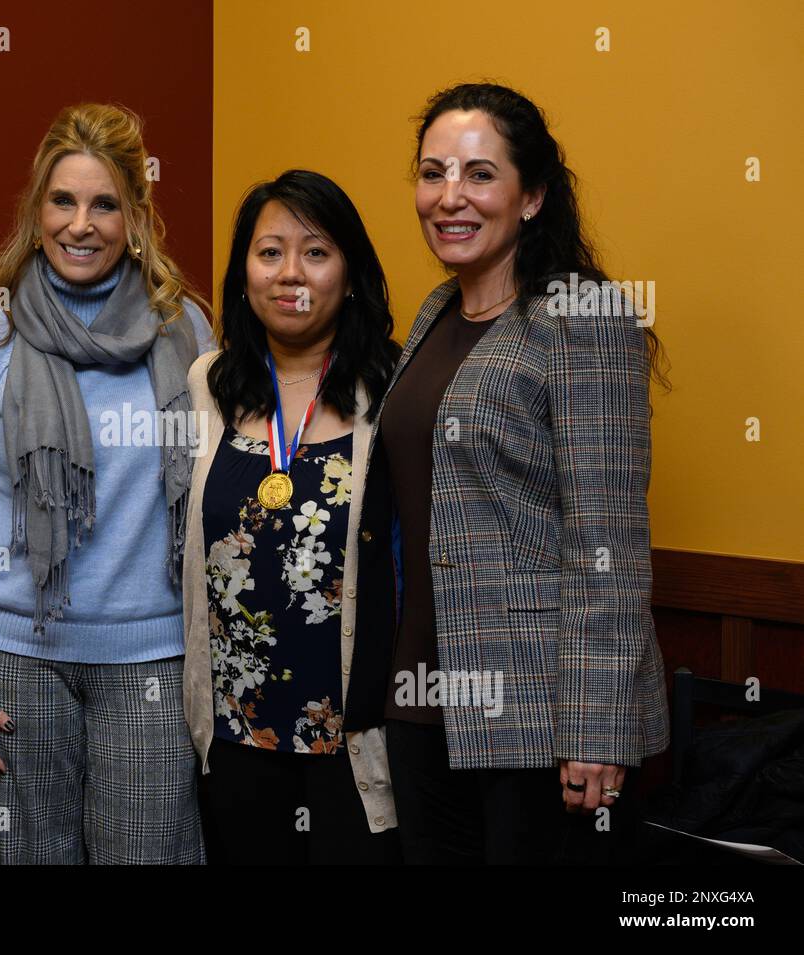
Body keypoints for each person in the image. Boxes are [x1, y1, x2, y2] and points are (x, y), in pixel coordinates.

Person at [378, 82, 669, 863]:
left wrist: (599, 726)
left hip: (540, 718)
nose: (450, 197)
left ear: (532, 195)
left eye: (479, 174)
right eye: (433, 172)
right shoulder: (436, 310)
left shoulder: (582, 316)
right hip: (421, 703)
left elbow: (607, 542)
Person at [0, 103, 215, 864]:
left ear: (135, 216)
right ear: (37, 210)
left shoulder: (186, 331)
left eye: (104, 203)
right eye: (63, 201)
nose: (80, 224)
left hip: (152, 657)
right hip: (16, 656)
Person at [182, 170, 404, 864]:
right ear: (244, 271)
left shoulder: (391, 390)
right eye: (269, 251)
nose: (290, 273)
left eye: (315, 251)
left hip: (354, 740)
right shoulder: (206, 385)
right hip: (235, 734)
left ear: (351, 271)